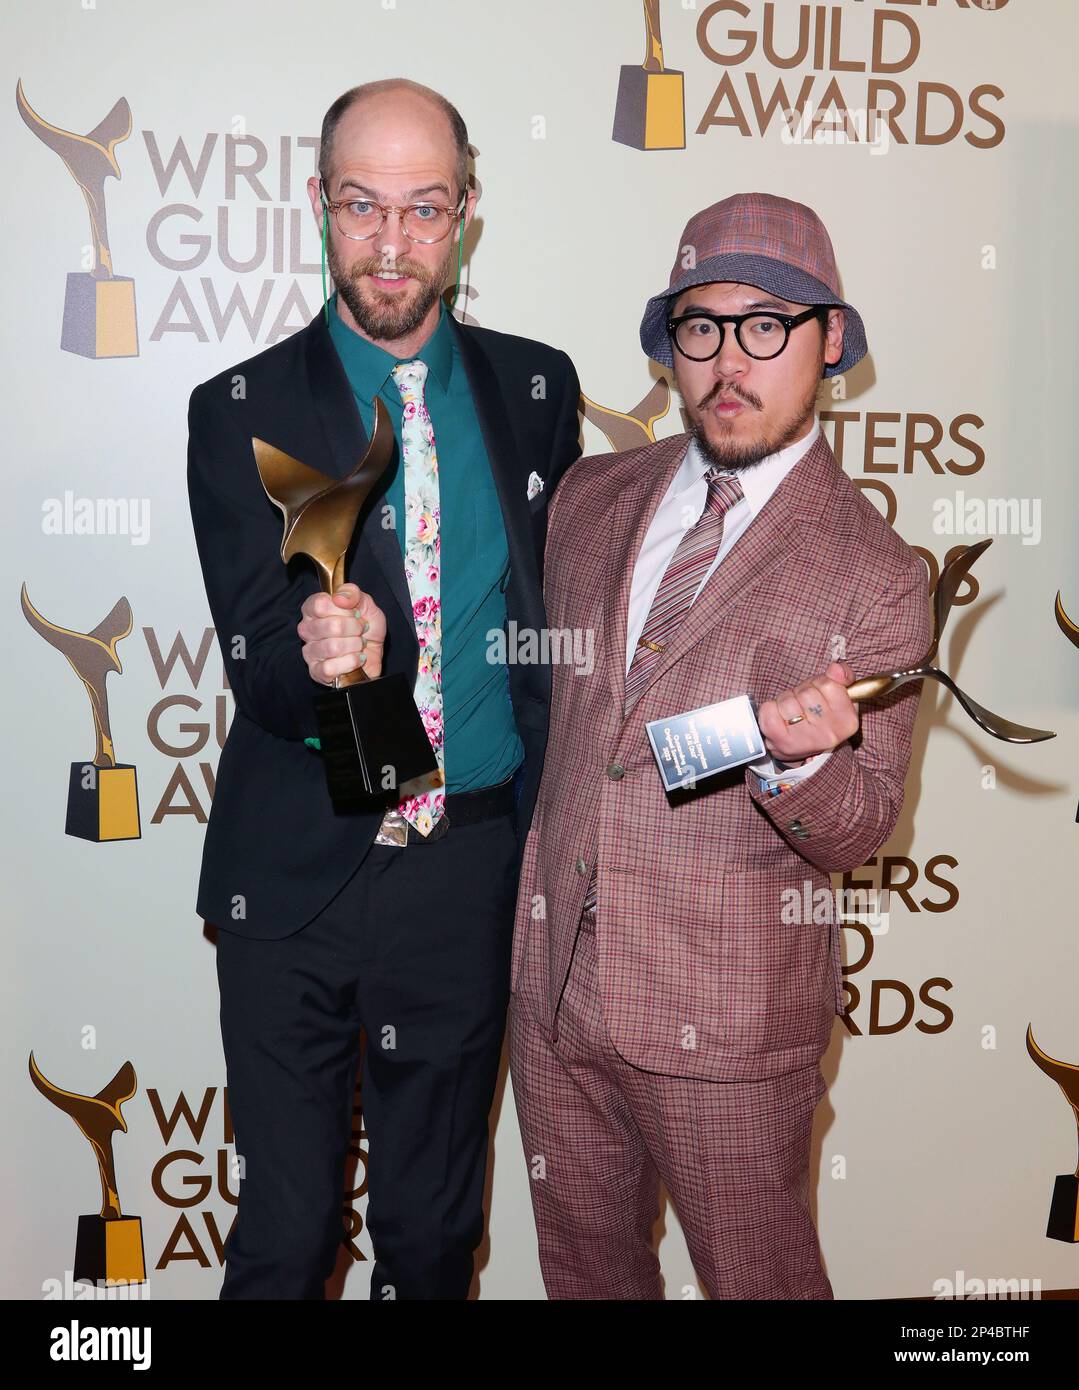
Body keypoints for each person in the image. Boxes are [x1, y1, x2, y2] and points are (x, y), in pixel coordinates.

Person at [186, 78, 580, 1300]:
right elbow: (256, 657)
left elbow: (542, 613)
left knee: (427, 1239)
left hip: (465, 871)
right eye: (362, 205)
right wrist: (321, 665)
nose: (392, 242)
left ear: (466, 214)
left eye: (423, 207)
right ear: (318, 206)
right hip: (296, 869)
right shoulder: (238, 408)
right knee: (287, 1239)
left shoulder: (535, 389)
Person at [508, 192, 931, 1299]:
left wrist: (804, 762)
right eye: (700, 327)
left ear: (828, 340)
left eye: (765, 325)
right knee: (585, 1275)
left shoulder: (876, 571)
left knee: (761, 1282)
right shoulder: (591, 498)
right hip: (553, 988)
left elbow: (861, 825)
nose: (726, 361)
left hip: (729, 1018)